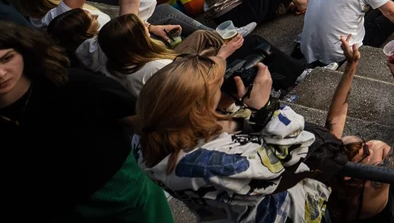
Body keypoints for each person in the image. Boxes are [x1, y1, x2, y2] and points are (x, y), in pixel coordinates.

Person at [0, 20, 173, 222]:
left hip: (125, 196)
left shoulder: (76, 85)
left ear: (23, 51)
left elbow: (143, 122)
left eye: (6, 59)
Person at [134, 51, 326, 221]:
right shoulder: (213, 164)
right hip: (276, 214)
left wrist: (225, 106)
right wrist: (266, 109)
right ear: (199, 111)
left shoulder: (146, 139)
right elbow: (293, 154)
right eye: (217, 89)